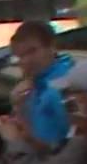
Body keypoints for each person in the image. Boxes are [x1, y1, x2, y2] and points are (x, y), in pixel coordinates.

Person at [9, 20, 76, 153]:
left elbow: (75, 140)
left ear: (52, 46)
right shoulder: (32, 89)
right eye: (20, 56)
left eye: (32, 51)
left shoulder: (68, 83)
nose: (26, 60)